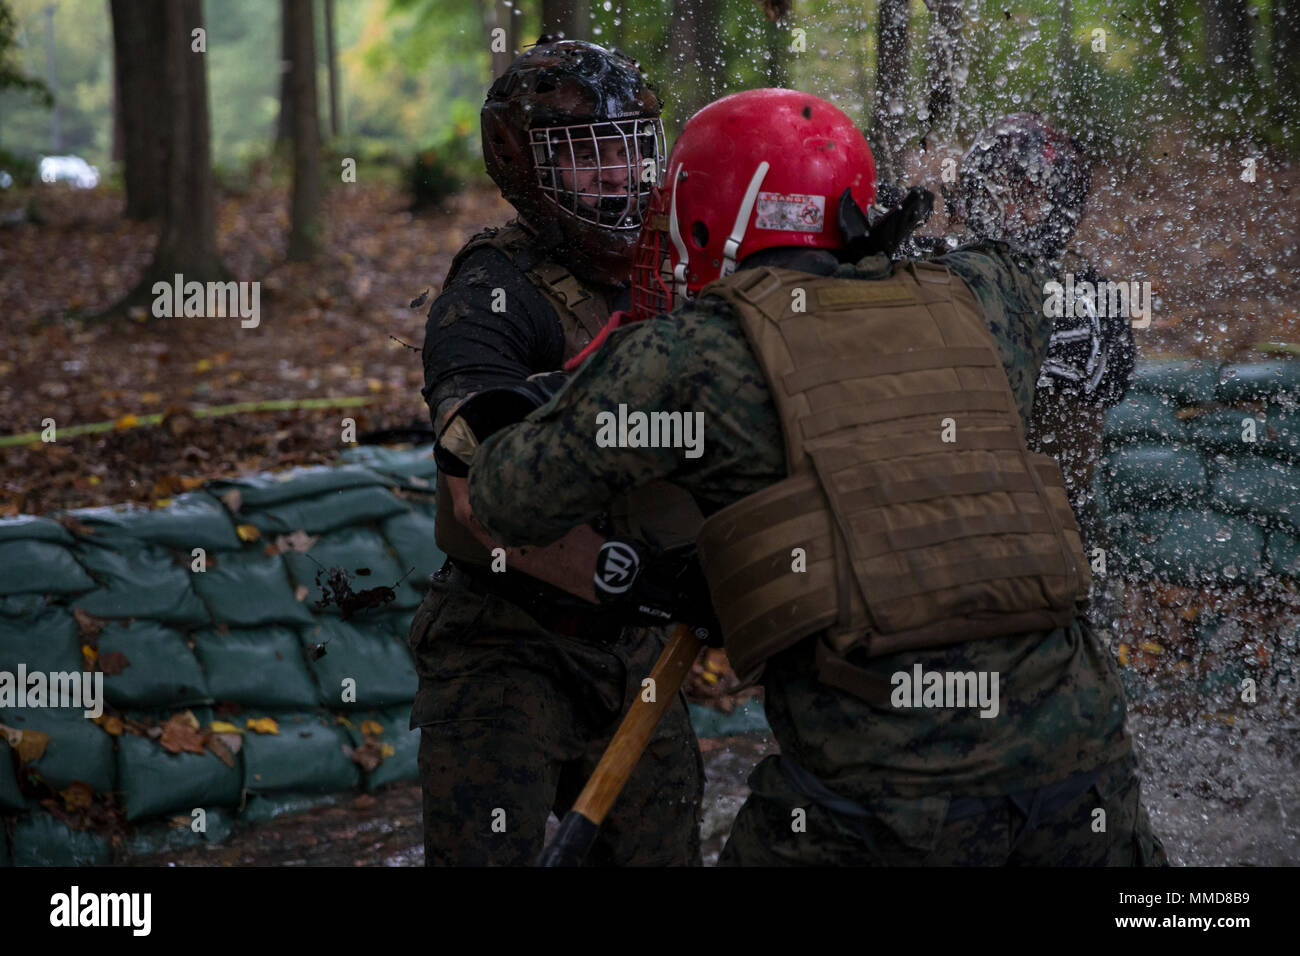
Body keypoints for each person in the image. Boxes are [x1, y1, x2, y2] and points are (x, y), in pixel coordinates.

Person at [459, 88, 1167, 866]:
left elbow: (504, 498)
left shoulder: (691, 355)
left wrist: (551, 404)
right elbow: (1029, 288)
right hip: (1084, 771)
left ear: (707, 215)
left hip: (873, 798)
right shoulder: (985, 294)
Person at [409, 37, 704, 867]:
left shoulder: (680, 270)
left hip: (640, 645)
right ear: (526, 168)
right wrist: (629, 577)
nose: (618, 172)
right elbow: (475, 493)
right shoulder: (490, 294)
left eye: (629, 148)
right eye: (588, 155)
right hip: (504, 643)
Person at [941, 114, 1136, 553]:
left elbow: (1110, 380)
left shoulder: (1084, 294)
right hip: (959, 503)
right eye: (994, 190)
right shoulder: (951, 266)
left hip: (1050, 518)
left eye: (1028, 193)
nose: (1007, 209)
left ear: (1061, 205)